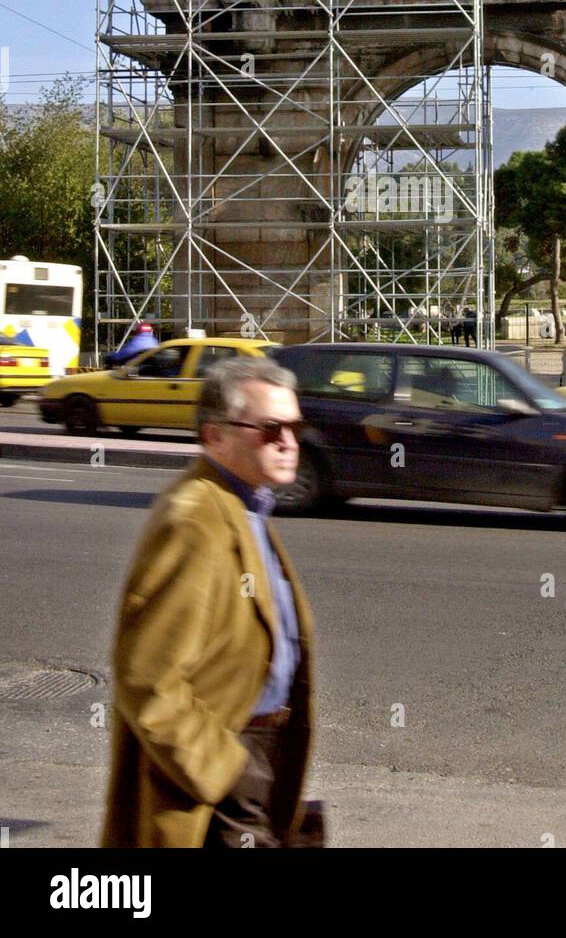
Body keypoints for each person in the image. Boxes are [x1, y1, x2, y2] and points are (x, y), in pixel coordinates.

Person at [100, 354, 316, 848]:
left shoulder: (245, 505)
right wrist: (227, 769)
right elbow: (146, 677)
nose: (288, 442)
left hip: (258, 754)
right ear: (214, 435)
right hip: (220, 770)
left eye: (294, 426)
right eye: (270, 429)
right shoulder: (194, 519)